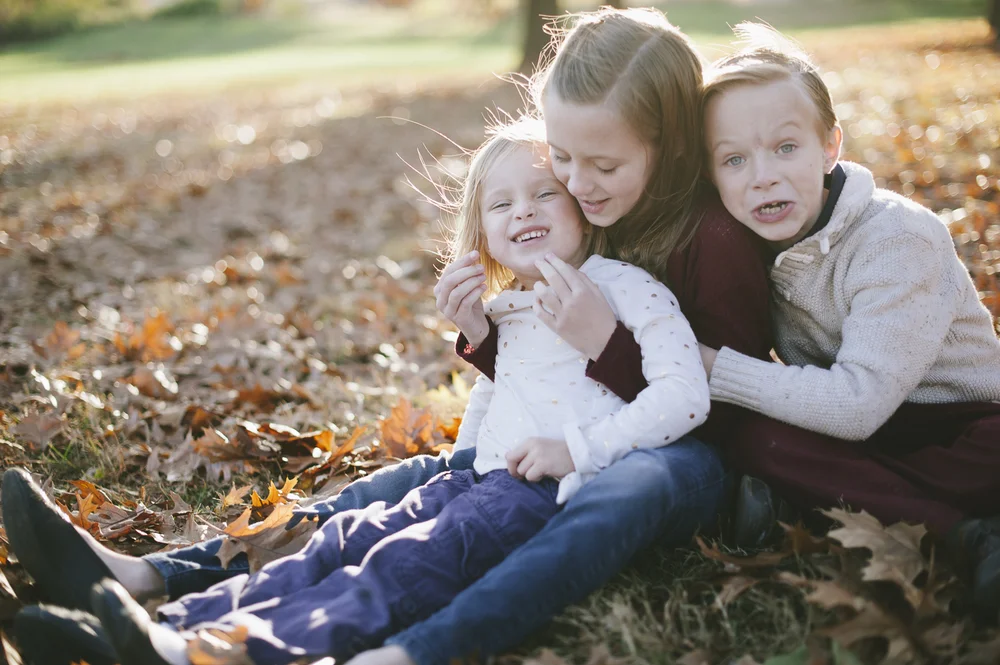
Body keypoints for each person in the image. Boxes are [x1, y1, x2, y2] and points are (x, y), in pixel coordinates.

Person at [4, 8, 774, 665]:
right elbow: (558, 363)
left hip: (679, 462)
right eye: (563, 158)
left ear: (662, 148)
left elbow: (721, 414)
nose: (574, 182)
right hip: (572, 429)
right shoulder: (593, 206)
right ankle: (152, 589)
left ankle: (413, 645)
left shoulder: (713, 238)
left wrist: (598, 357)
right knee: (407, 489)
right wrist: (484, 336)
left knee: (483, 527)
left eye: (593, 164)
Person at [550, 24, 1000, 621]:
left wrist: (710, 366)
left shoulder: (896, 238)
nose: (762, 176)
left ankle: (945, 530)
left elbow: (860, 404)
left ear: (830, 146)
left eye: (786, 148)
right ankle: (957, 530)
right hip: (862, 441)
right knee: (761, 442)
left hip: (959, 424)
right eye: (735, 159)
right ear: (709, 174)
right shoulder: (749, 237)